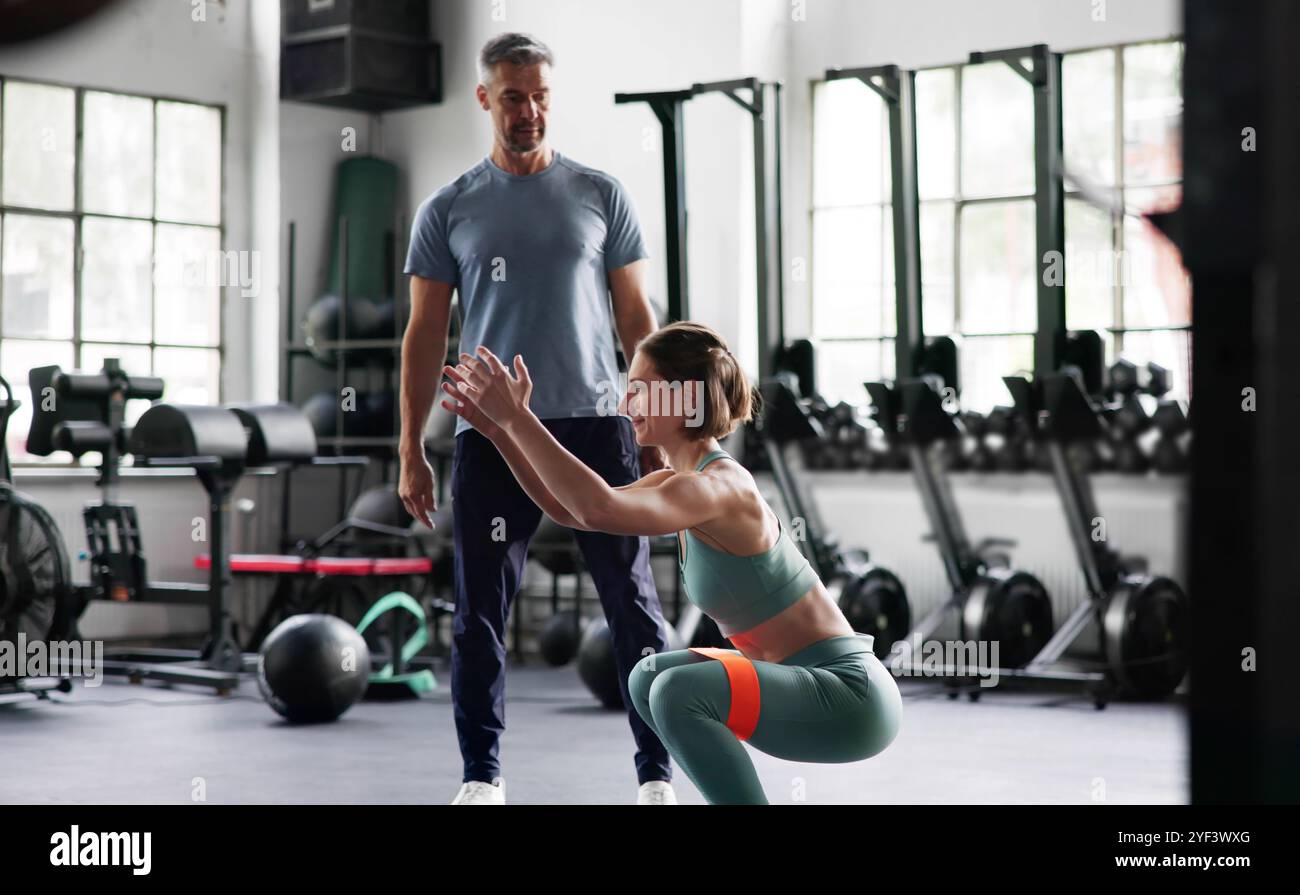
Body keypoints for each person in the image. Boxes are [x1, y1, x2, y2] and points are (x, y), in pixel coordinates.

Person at [439, 322, 903, 805]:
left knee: (676, 690)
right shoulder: (675, 482)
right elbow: (571, 511)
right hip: (798, 686)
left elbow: (597, 506)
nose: (624, 405)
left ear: (684, 399)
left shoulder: (719, 486)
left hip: (849, 697)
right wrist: (498, 432)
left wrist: (519, 419)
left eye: (638, 390)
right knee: (648, 677)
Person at [398, 33, 677, 805]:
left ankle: (656, 774)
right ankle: (482, 777)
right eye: (514, 96)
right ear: (485, 99)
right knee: (479, 610)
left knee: (634, 605)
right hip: (491, 432)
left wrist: (658, 426)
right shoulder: (449, 208)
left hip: (594, 426)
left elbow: (637, 321)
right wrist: (410, 446)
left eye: (542, 96)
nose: (530, 111)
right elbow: (423, 335)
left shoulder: (600, 193)